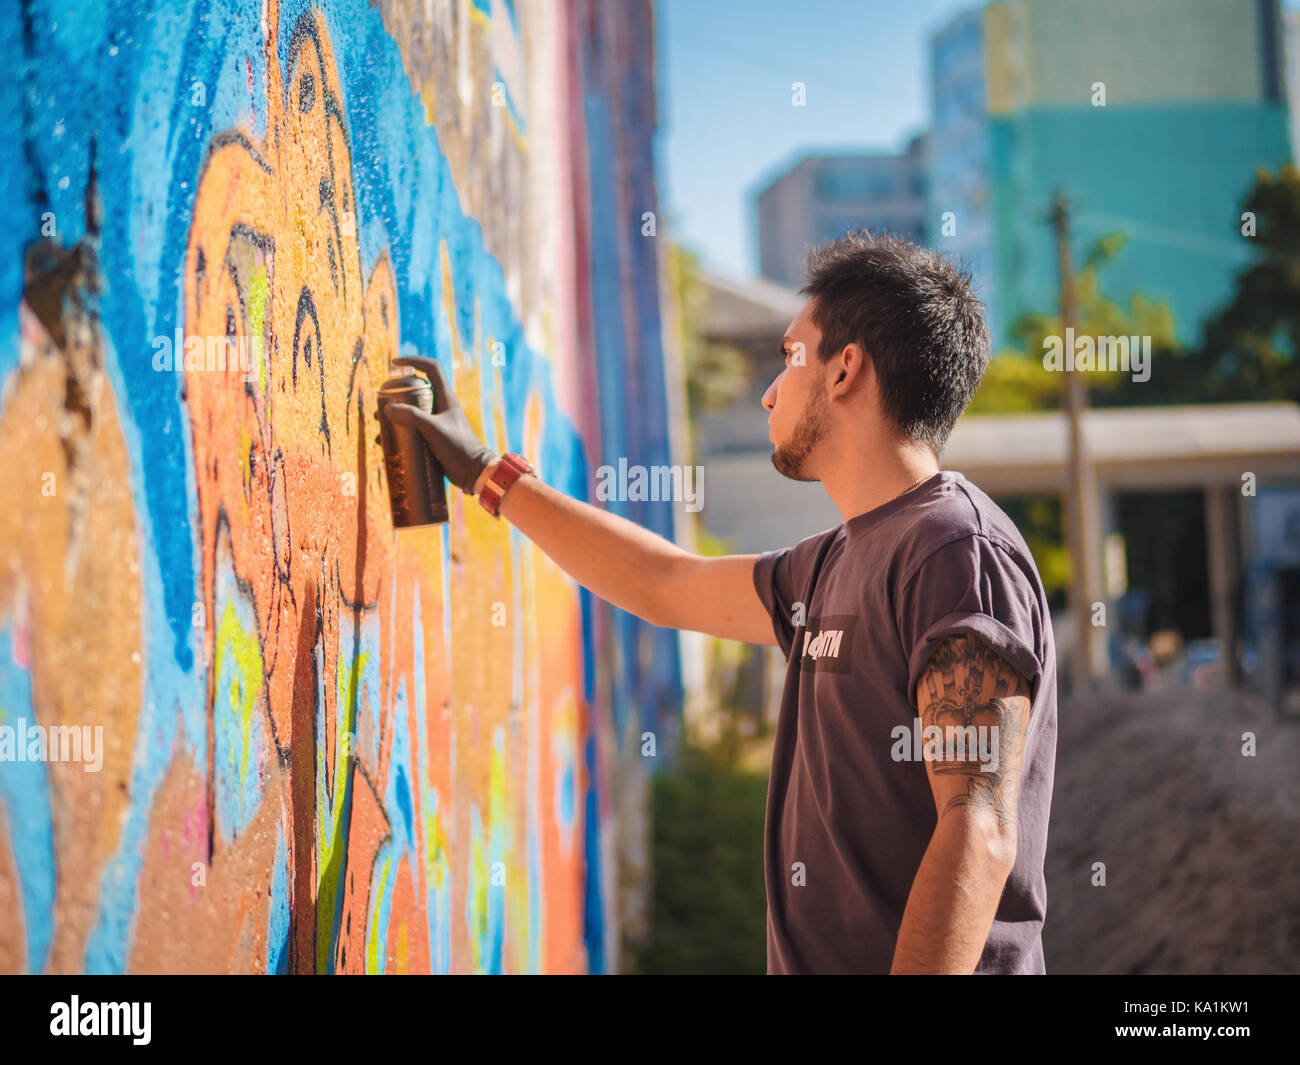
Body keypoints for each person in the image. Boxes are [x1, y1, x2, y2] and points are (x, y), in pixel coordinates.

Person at [385, 230, 1058, 975]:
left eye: (789, 357)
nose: (770, 389)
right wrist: (487, 473)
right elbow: (664, 583)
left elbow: (979, 826)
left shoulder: (953, 551)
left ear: (845, 371)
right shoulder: (835, 560)